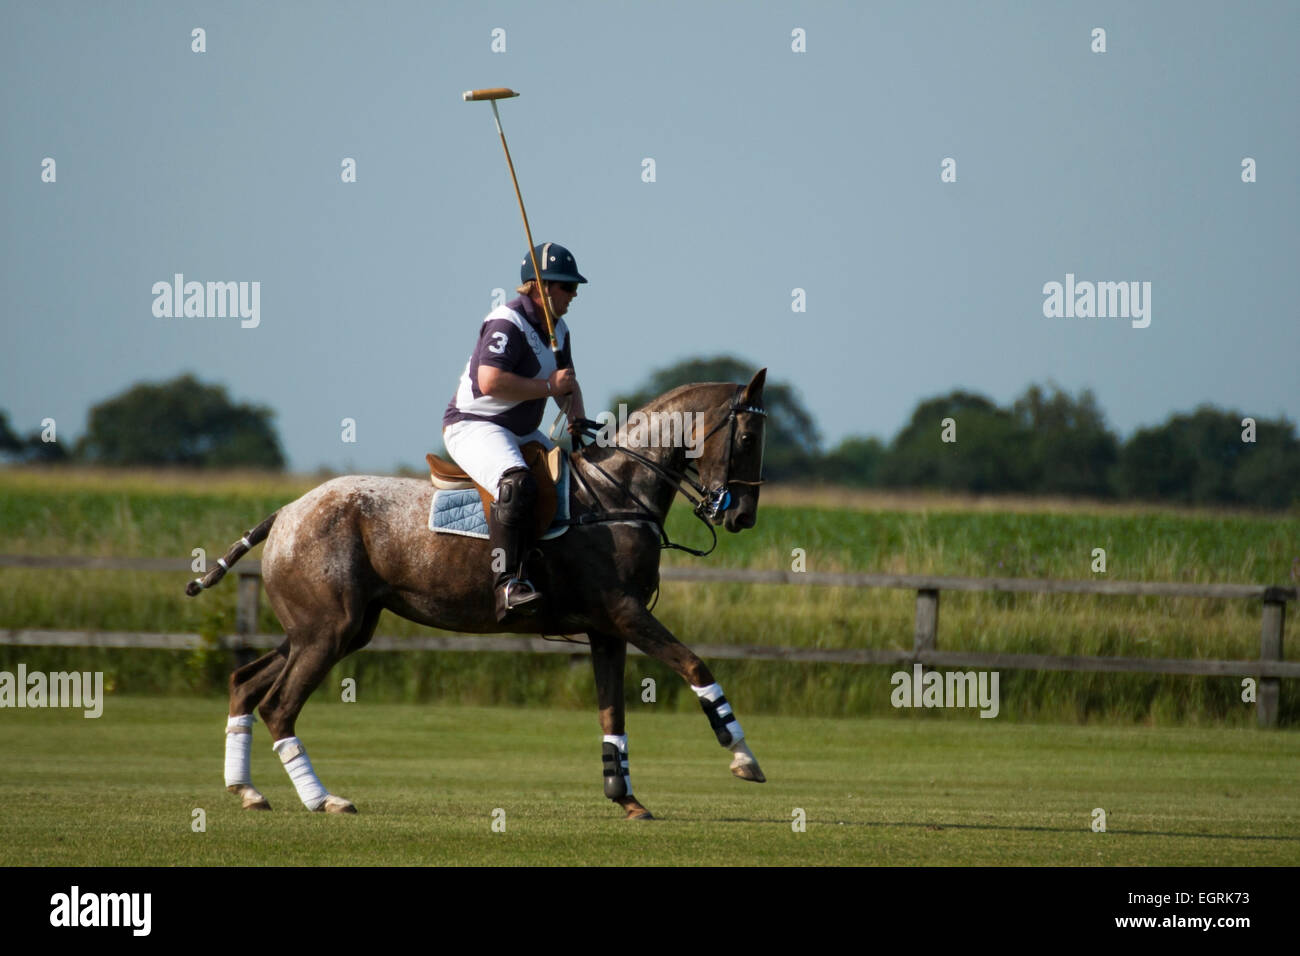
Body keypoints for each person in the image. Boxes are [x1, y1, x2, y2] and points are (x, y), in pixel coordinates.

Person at [442, 242, 588, 621]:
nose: (574, 295)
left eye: (575, 288)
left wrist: (579, 424)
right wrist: (548, 388)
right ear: (540, 287)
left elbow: (568, 383)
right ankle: (507, 585)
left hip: (521, 431)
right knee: (518, 484)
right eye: (567, 287)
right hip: (475, 425)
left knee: (579, 482)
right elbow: (489, 381)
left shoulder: (560, 328)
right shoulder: (507, 322)